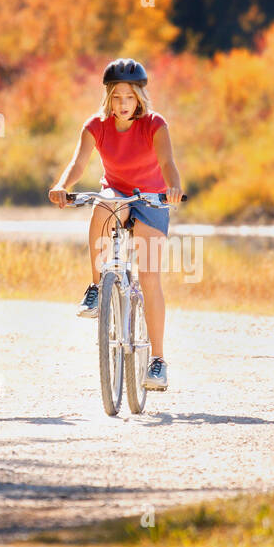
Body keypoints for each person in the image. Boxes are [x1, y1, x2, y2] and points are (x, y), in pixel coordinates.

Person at [48, 58, 184, 392]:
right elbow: (78, 163)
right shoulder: (96, 125)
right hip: (118, 192)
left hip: (152, 197)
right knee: (102, 208)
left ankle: (157, 361)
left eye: (130, 97)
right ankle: (97, 287)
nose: (123, 104)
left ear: (140, 97)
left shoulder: (154, 124)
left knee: (150, 279)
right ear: (108, 97)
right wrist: (62, 185)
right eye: (117, 97)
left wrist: (173, 188)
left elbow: (167, 162)